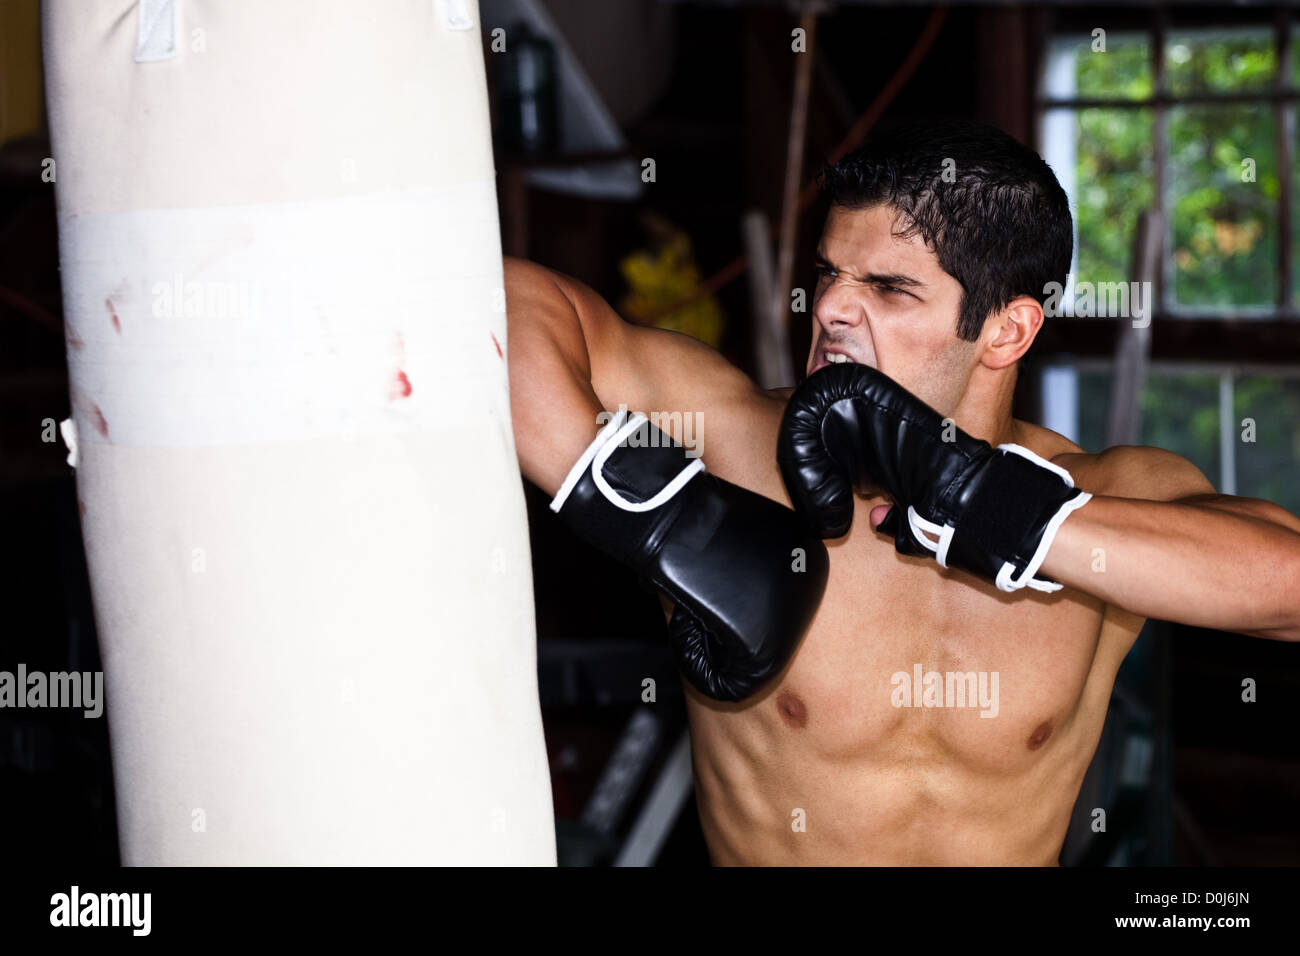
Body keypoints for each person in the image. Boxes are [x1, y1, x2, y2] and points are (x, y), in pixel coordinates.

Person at [504, 118, 1300, 865]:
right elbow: (498, 300)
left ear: (1007, 330)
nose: (828, 309)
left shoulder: (1100, 491)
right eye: (827, 274)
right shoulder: (735, 447)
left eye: (888, 289)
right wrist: (660, 515)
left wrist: (1003, 512)